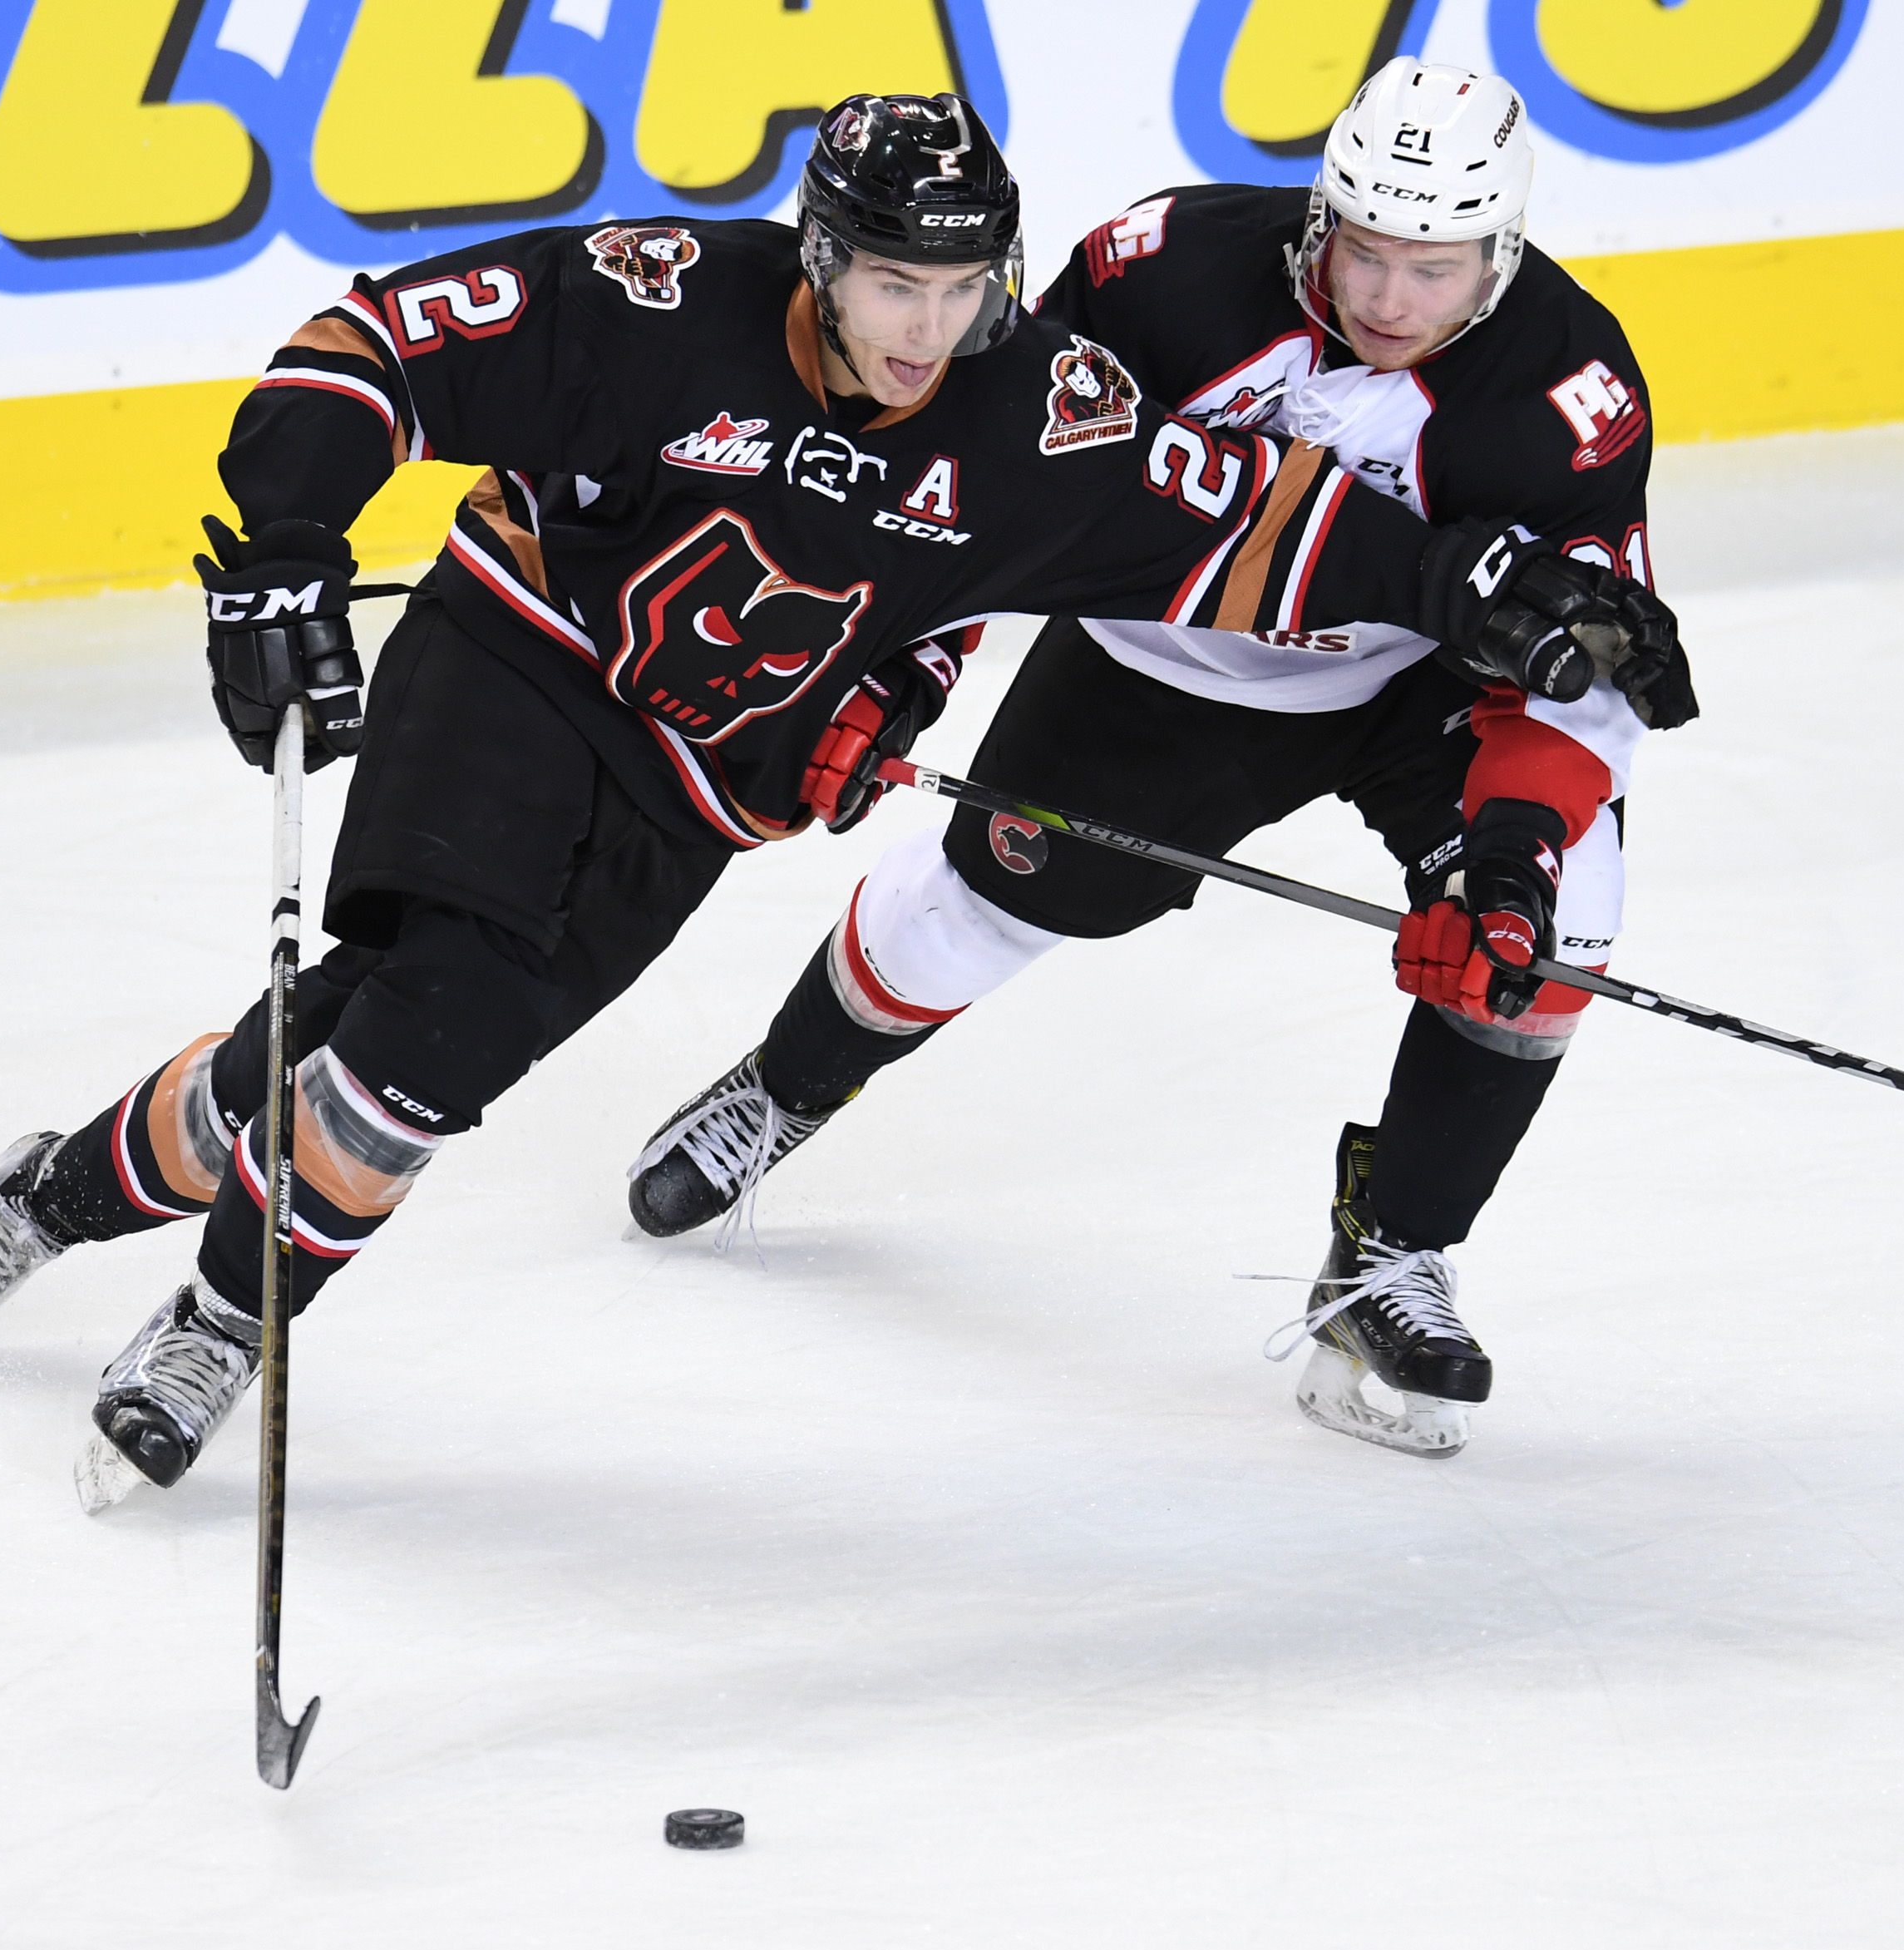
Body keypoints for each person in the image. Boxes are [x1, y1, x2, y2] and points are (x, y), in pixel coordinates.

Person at [0, 91, 1676, 1506]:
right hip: (517, 662)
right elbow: (374, 351)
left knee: (354, 1039)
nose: (931, 326)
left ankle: (53, 1193)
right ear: (822, 256)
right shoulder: (663, 302)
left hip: (695, 795)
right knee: (424, 1044)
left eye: (967, 289)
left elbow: (1258, 522)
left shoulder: (1034, 412)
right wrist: (275, 552)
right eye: (898, 283)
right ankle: (218, 1328)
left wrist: (1488, 600)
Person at [623, 61, 1699, 1460]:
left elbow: (1587, 666)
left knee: (1551, 928)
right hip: (1160, 669)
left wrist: (1509, 851)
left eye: (1431, 269)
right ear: (1321, 213)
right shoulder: (1163, 274)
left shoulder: (1571, 388)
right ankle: (789, 1084)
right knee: (970, 915)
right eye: (1364, 250)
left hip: (1415, 688)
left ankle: (1396, 1255)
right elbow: (978, 490)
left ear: (1498, 251)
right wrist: (902, 666)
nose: (1386, 298)